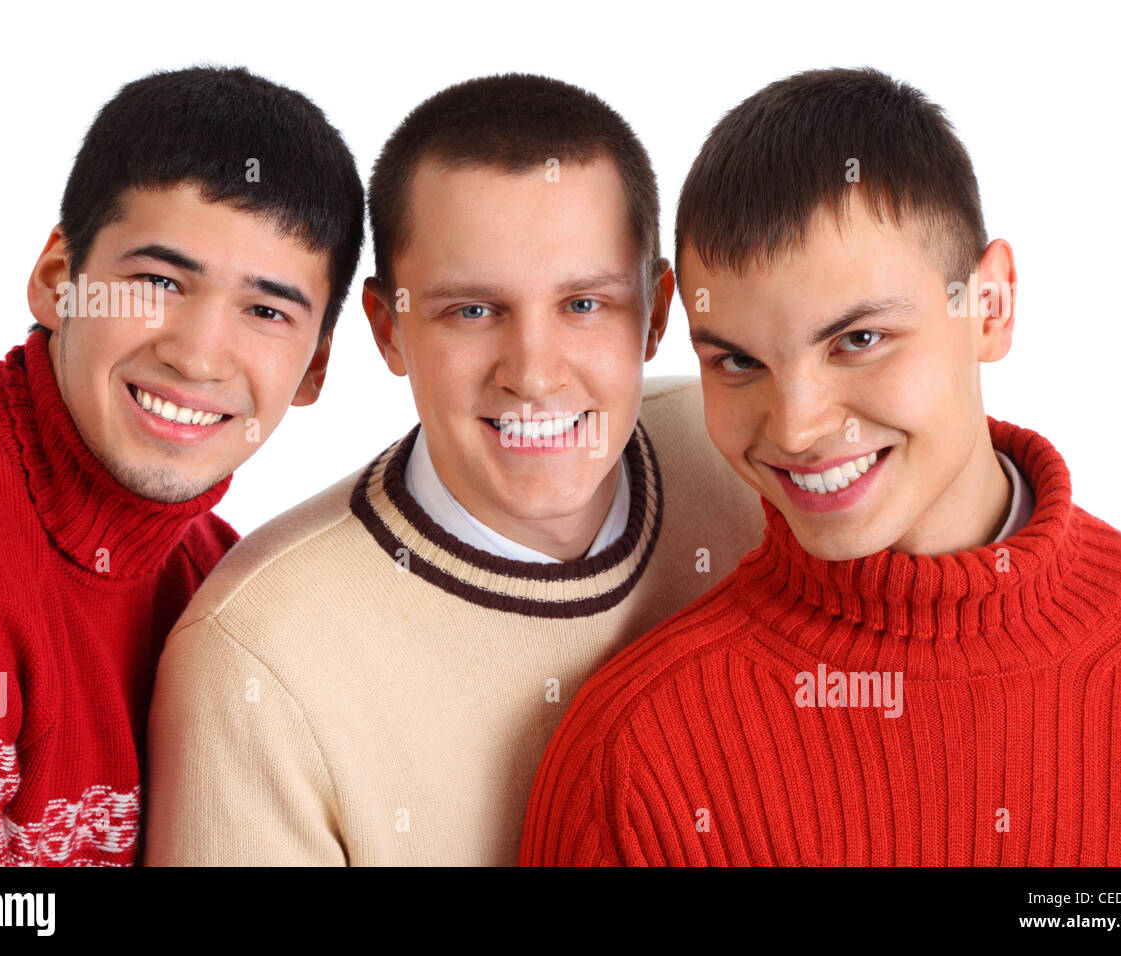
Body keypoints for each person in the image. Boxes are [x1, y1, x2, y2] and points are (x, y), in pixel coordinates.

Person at [520, 67, 1121, 866]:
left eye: (859, 340)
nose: (798, 426)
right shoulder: (639, 756)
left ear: (990, 307)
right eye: (738, 361)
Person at [145, 73, 765, 866]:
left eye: (585, 304)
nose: (534, 374)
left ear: (656, 313)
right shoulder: (255, 658)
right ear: (389, 329)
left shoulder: (749, 461)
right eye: (471, 310)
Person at [0, 66, 363, 866]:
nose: (195, 354)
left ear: (315, 369)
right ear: (58, 283)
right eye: (157, 281)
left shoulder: (215, 580)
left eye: (265, 311)